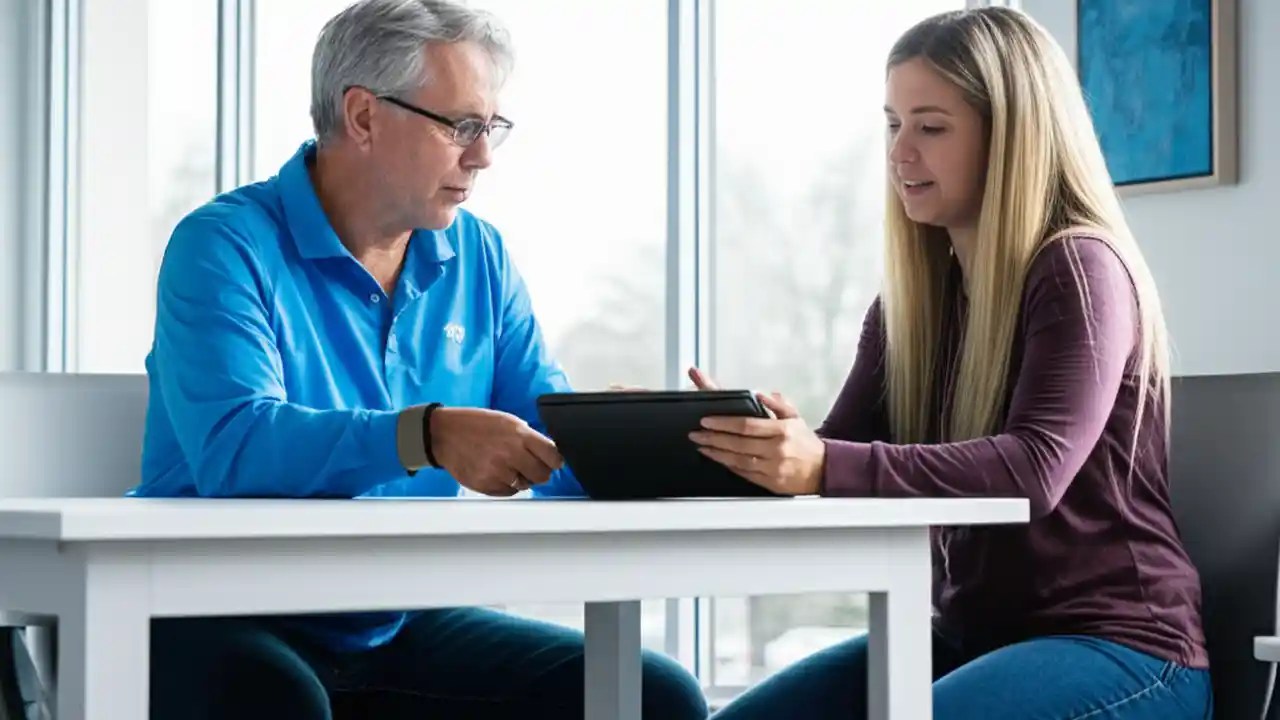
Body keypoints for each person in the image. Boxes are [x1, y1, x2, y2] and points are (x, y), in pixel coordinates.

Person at [132, 1, 706, 717]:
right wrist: (425, 434)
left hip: (392, 621)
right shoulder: (224, 246)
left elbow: (547, 443)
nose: (483, 155)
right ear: (364, 116)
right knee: (273, 699)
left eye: (490, 127)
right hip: (209, 614)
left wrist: (651, 436)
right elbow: (235, 447)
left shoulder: (480, 257)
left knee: (654, 696)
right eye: (460, 126)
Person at [690, 7, 1212, 719]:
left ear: (1013, 140)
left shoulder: (1080, 269)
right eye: (892, 124)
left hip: (1122, 648)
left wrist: (824, 464)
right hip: (967, 640)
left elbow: (1032, 470)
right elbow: (836, 455)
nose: (901, 152)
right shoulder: (913, 302)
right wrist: (746, 442)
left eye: (931, 127)